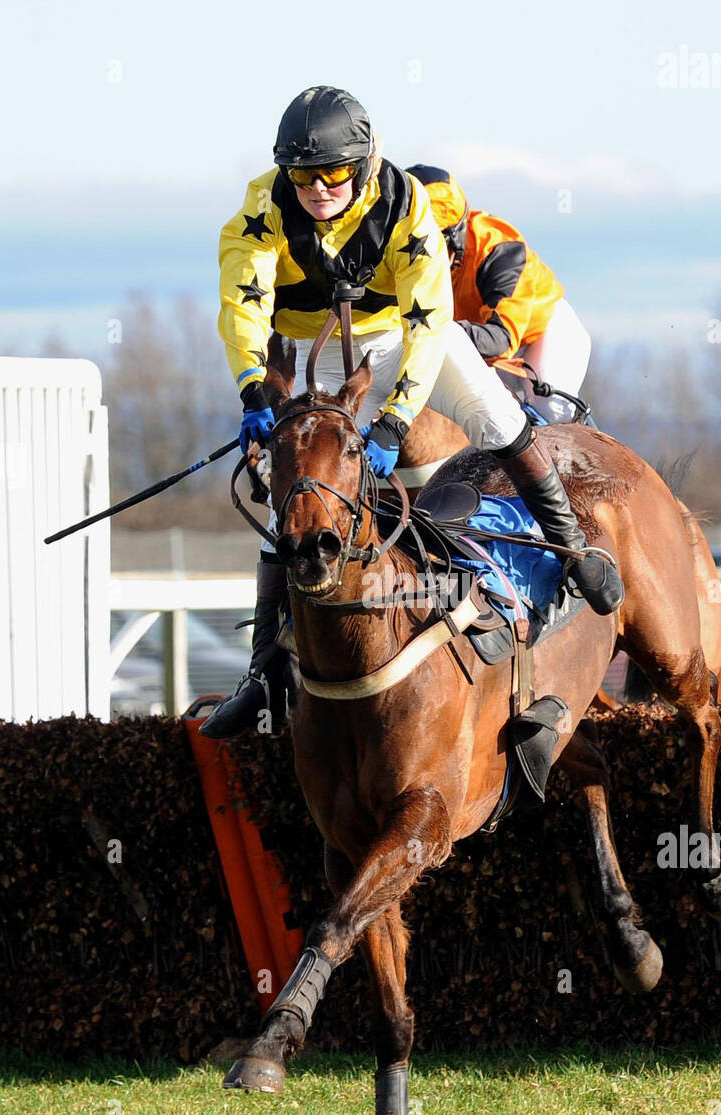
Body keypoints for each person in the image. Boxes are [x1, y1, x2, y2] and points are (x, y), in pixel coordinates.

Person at [201, 87, 622, 739]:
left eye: (333, 173)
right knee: (291, 488)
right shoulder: (262, 208)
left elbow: (429, 326)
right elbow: (243, 306)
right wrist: (254, 390)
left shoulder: (403, 204)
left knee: (497, 419)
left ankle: (572, 552)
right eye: (303, 175)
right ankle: (263, 673)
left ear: (363, 162)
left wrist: (394, 423)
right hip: (314, 350)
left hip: (402, 338)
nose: (317, 189)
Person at [406, 164, 592, 421]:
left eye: (430, 247)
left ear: (454, 236)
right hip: (474, 344)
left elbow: (501, 341)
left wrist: (438, 330)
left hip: (537, 336)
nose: (421, 261)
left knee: (550, 414)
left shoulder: (498, 249)